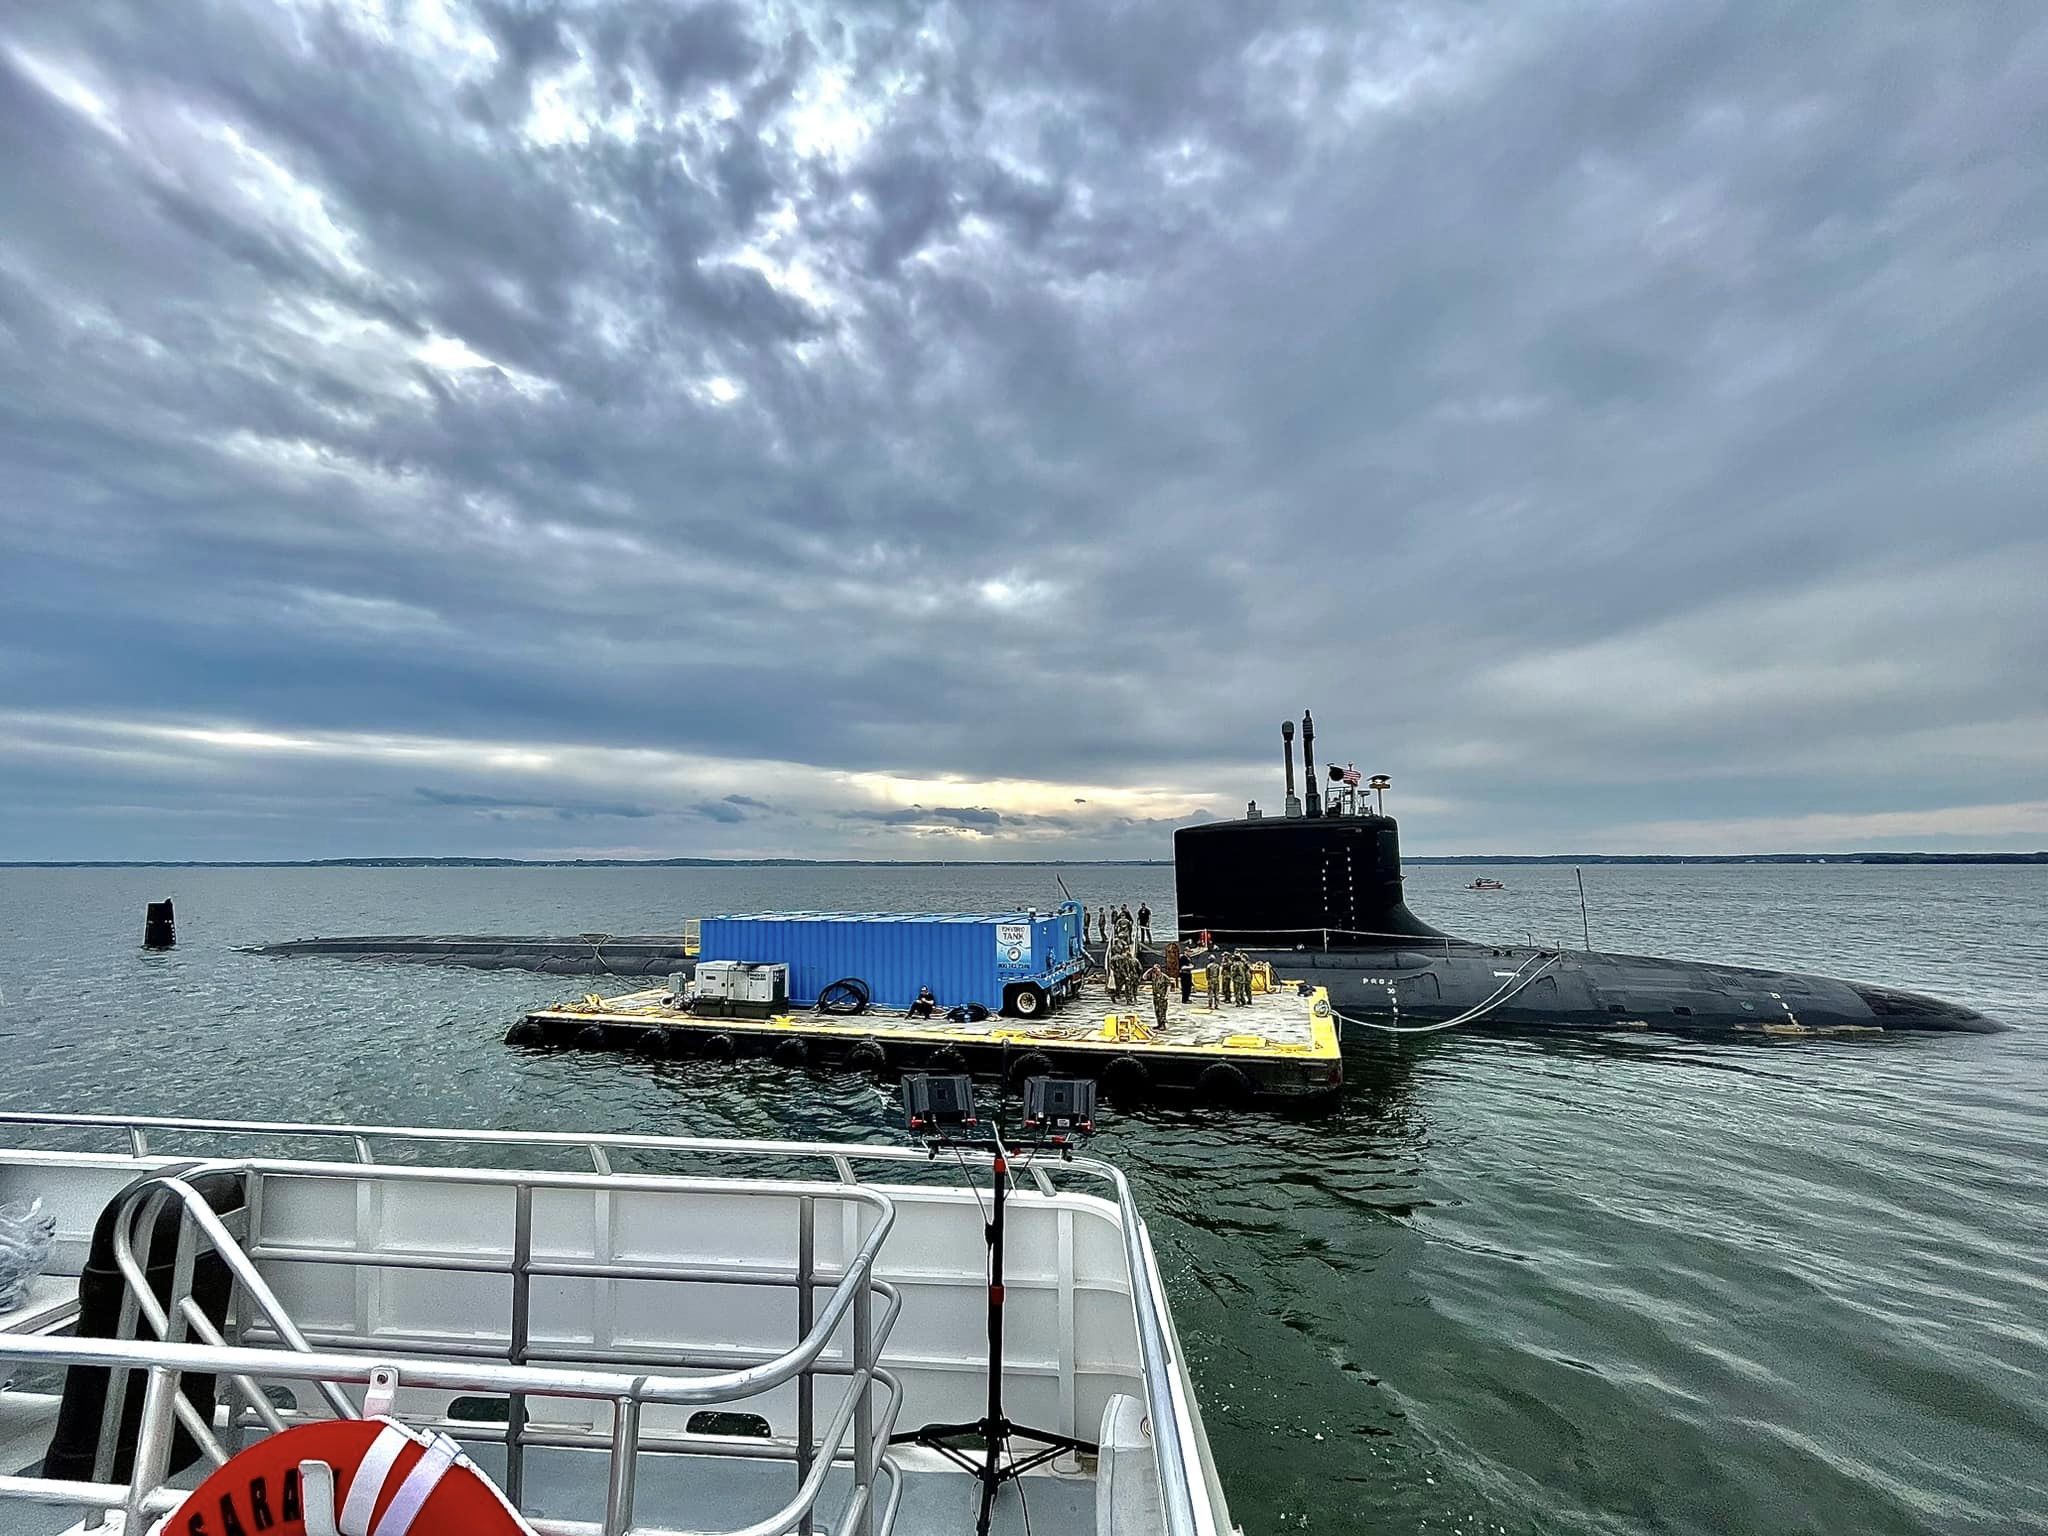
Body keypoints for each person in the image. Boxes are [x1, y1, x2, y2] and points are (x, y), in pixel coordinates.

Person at [1146, 964, 1170, 1033]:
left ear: (1160, 969)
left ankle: (1163, 1025)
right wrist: (1149, 970)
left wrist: (1166, 995)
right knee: (1157, 1011)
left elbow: (1168, 986)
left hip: (1162, 997)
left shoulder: (1164, 977)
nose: (1155, 970)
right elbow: (1144, 977)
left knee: (1162, 1011)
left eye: (1156, 969)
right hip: (1156, 997)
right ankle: (1159, 1024)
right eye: (1154, 969)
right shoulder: (1154, 976)